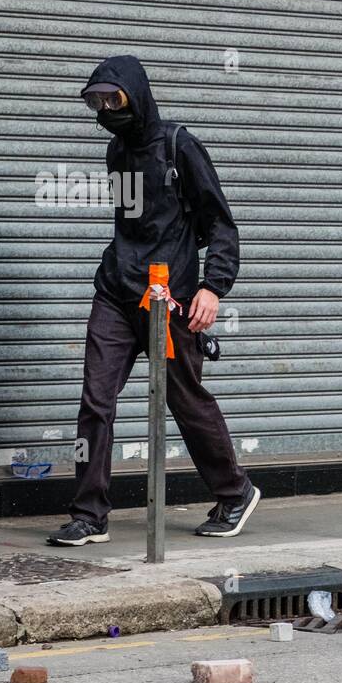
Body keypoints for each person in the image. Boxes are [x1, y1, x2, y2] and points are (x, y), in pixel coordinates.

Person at [47, 55, 260, 545]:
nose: (103, 108)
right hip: (116, 293)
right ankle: (89, 514)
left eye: (112, 98)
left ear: (135, 95)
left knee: (185, 399)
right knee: (95, 402)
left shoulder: (178, 145)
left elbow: (220, 224)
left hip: (172, 298)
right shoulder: (115, 153)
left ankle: (235, 492)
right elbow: (133, 226)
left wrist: (213, 286)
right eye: (95, 100)